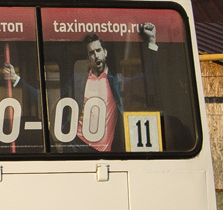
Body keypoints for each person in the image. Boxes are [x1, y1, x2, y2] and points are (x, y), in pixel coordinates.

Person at [67, 24, 157, 152]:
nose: (96, 55)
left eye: (98, 50)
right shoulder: (79, 80)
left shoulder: (117, 81)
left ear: (105, 52)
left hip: (104, 151)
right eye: (91, 53)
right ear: (88, 58)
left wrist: (152, 41)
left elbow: (148, 77)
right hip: (78, 145)